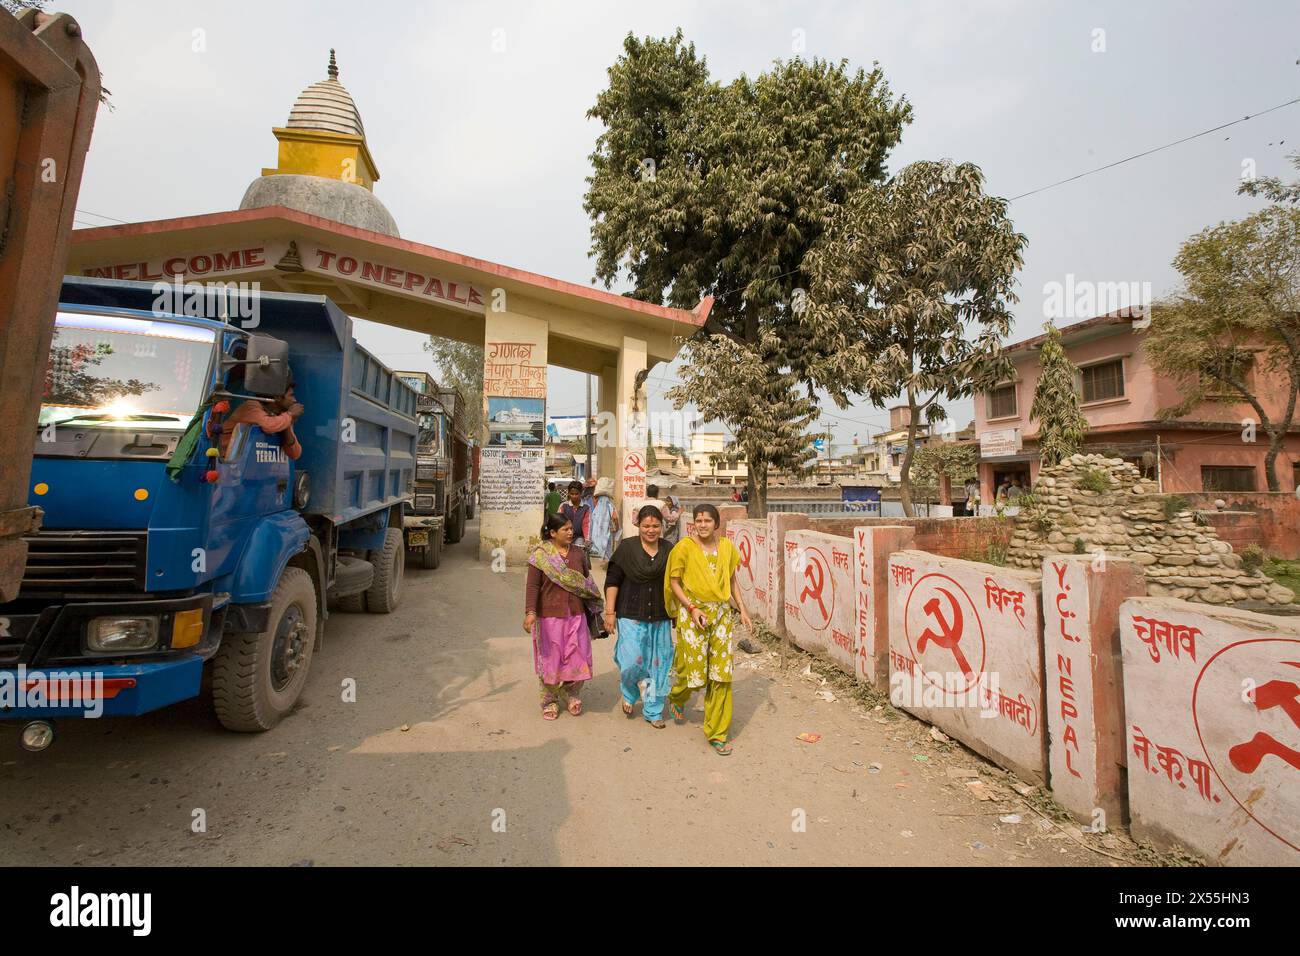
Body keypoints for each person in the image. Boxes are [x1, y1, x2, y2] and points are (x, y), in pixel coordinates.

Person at [665, 503, 752, 755]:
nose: (703, 525)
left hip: (722, 615)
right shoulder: (684, 548)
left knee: (721, 673)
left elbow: (732, 579)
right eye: (699, 520)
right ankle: (678, 696)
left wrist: (742, 609)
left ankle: (717, 732)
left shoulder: (726, 548)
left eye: (708, 521)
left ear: (717, 524)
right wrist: (692, 609)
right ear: (694, 523)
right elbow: (674, 582)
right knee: (694, 672)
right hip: (693, 613)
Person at [523, 513, 603, 720]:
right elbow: (532, 587)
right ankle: (549, 700)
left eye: (570, 529)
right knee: (551, 660)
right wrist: (530, 612)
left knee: (578, 656)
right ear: (552, 533)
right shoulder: (540, 555)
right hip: (549, 617)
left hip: (576, 615)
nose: (570, 532)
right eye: (565, 529)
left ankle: (570, 692)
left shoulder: (578, 553)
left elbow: (586, 584)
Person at [605, 505, 672, 728]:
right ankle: (630, 690)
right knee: (632, 660)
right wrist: (610, 613)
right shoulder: (627, 548)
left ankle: (653, 710)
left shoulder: (669, 549)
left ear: (662, 526)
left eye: (655, 526)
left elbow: (677, 583)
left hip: (660, 616)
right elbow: (612, 581)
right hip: (630, 614)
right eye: (646, 526)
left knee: (657, 665)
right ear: (638, 526)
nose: (651, 530)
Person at [219, 376, 303, 461]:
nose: (294, 400)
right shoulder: (251, 406)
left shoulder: (281, 417)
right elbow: (268, 426)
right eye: (291, 396)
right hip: (224, 464)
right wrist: (290, 415)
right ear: (277, 397)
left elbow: (295, 454)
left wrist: (287, 425)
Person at [589, 476, 620, 561]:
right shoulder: (610, 505)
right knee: (607, 548)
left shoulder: (596, 508)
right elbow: (615, 518)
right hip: (607, 534)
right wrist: (617, 528)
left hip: (596, 534)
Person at [558, 480, 591, 551]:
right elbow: (559, 522)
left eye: (576, 494)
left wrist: (587, 539)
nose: (574, 496)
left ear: (581, 493)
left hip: (578, 537)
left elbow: (586, 524)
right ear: (569, 493)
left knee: (578, 553)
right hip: (564, 536)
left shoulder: (586, 508)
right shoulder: (563, 506)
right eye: (572, 494)